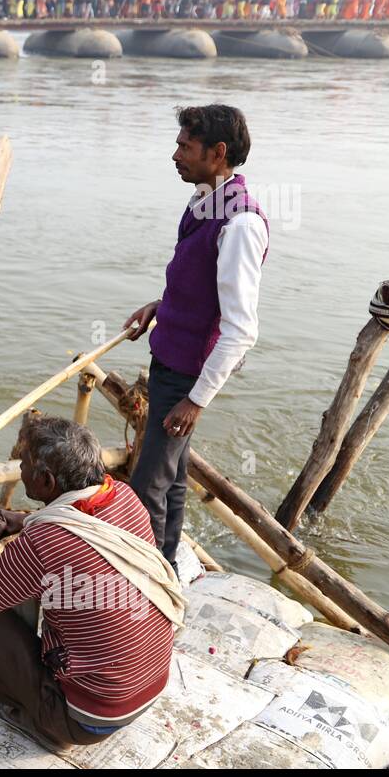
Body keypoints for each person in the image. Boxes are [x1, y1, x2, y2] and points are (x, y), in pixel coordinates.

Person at [0, 416, 182, 750]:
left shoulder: (45, 539)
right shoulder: (125, 496)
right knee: (34, 584)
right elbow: (88, 531)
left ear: (45, 479)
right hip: (146, 689)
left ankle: (41, 721)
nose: (20, 469)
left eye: (23, 464)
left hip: (84, 722)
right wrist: (28, 522)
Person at [122, 104, 268, 572]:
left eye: (186, 146)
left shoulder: (240, 224)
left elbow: (240, 328)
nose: (175, 155)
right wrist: (160, 307)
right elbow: (201, 288)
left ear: (218, 152)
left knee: (148, 486)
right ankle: (165, 572)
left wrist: (196, 400)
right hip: (172, 358)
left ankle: (145, 591)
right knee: (173, 478)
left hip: (187, 374)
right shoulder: (206, 200)